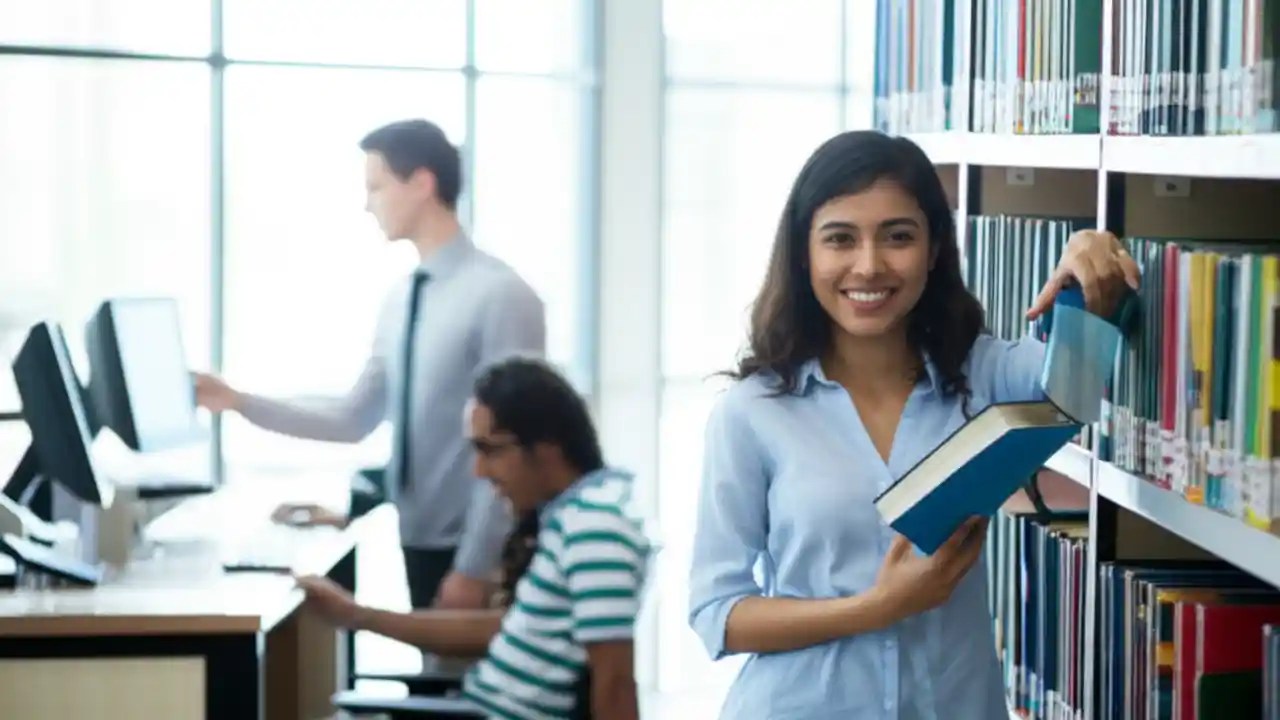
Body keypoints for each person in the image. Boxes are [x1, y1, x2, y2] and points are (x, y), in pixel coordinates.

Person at [686, 130, 1139, 719]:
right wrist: (879, 607)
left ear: (933, 248)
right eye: (840, 240)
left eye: (898, 237)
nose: (869, 266)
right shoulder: (752, 412)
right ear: (804, 254)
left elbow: (1071, 388)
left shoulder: (986, 377)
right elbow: (718, 613)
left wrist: (1088, 256)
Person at [194, 119, 546, 610]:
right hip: (418, 541)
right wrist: (238, 402)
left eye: (376, 187)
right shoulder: (401, 299)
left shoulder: (502, 296)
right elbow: (353, 417)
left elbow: (515, 442)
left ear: (422, 184)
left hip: (479, 553)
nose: (368, 203)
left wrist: (475, 566)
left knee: (469, 684)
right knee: (437, 676)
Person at [296, 357, 647, 720]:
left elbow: (616, 683)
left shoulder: (595, 527)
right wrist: (357, 615)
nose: (479, 471)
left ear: (547, 446)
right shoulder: (579, 514)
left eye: (490, 450)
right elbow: (509, 628)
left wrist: (359, 616)